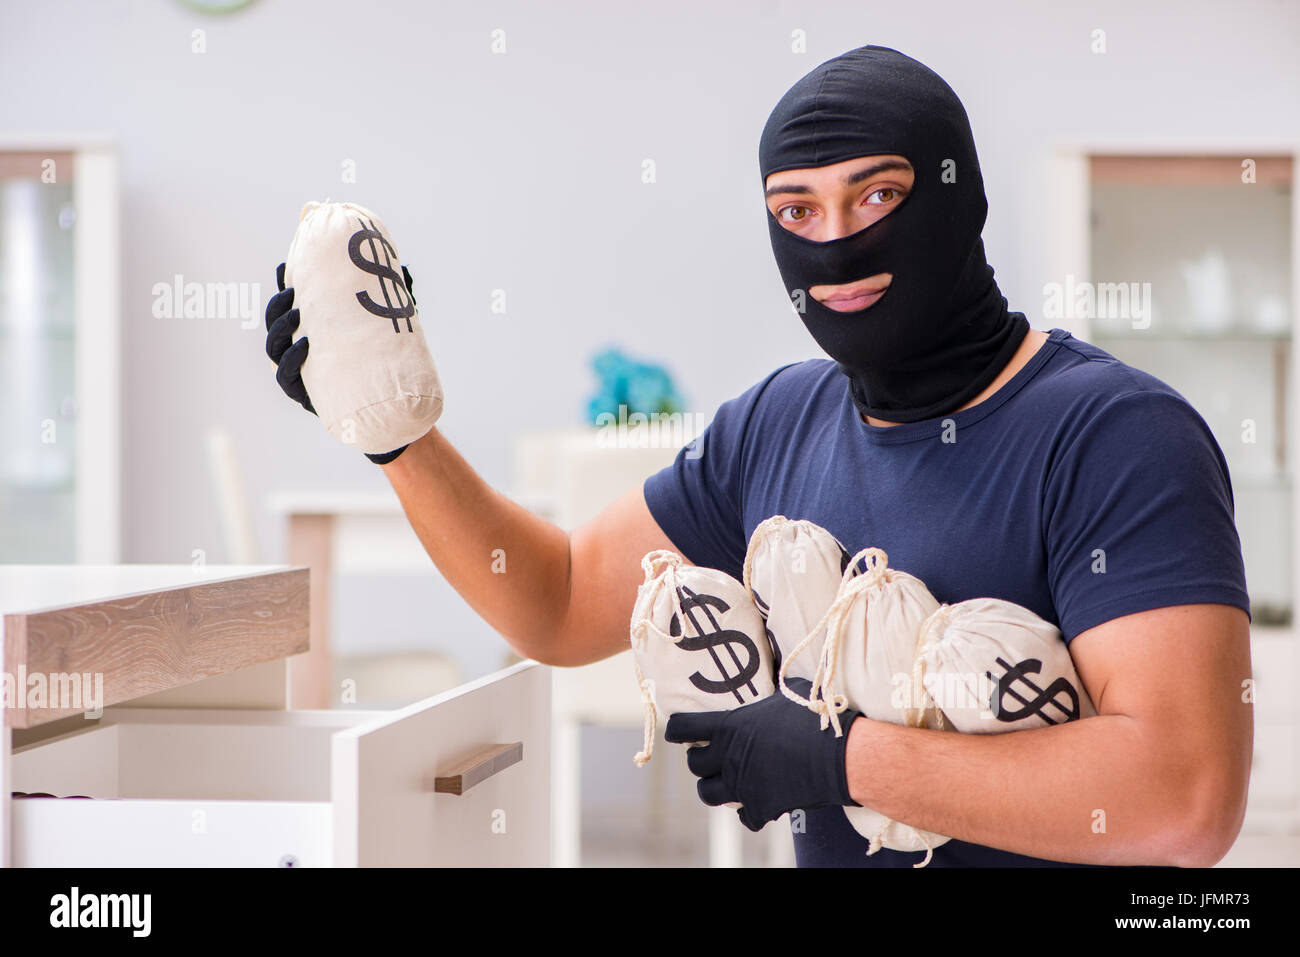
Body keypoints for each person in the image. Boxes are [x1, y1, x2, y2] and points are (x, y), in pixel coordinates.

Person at [265, 45, 1252, 867]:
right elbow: (559, 604)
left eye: (875, 196)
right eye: (796, 212)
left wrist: (848, 760)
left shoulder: (1115, 437)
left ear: (961, 196)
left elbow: (1185, 797)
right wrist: (398, 438)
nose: (834, 247)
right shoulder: (779, 422)